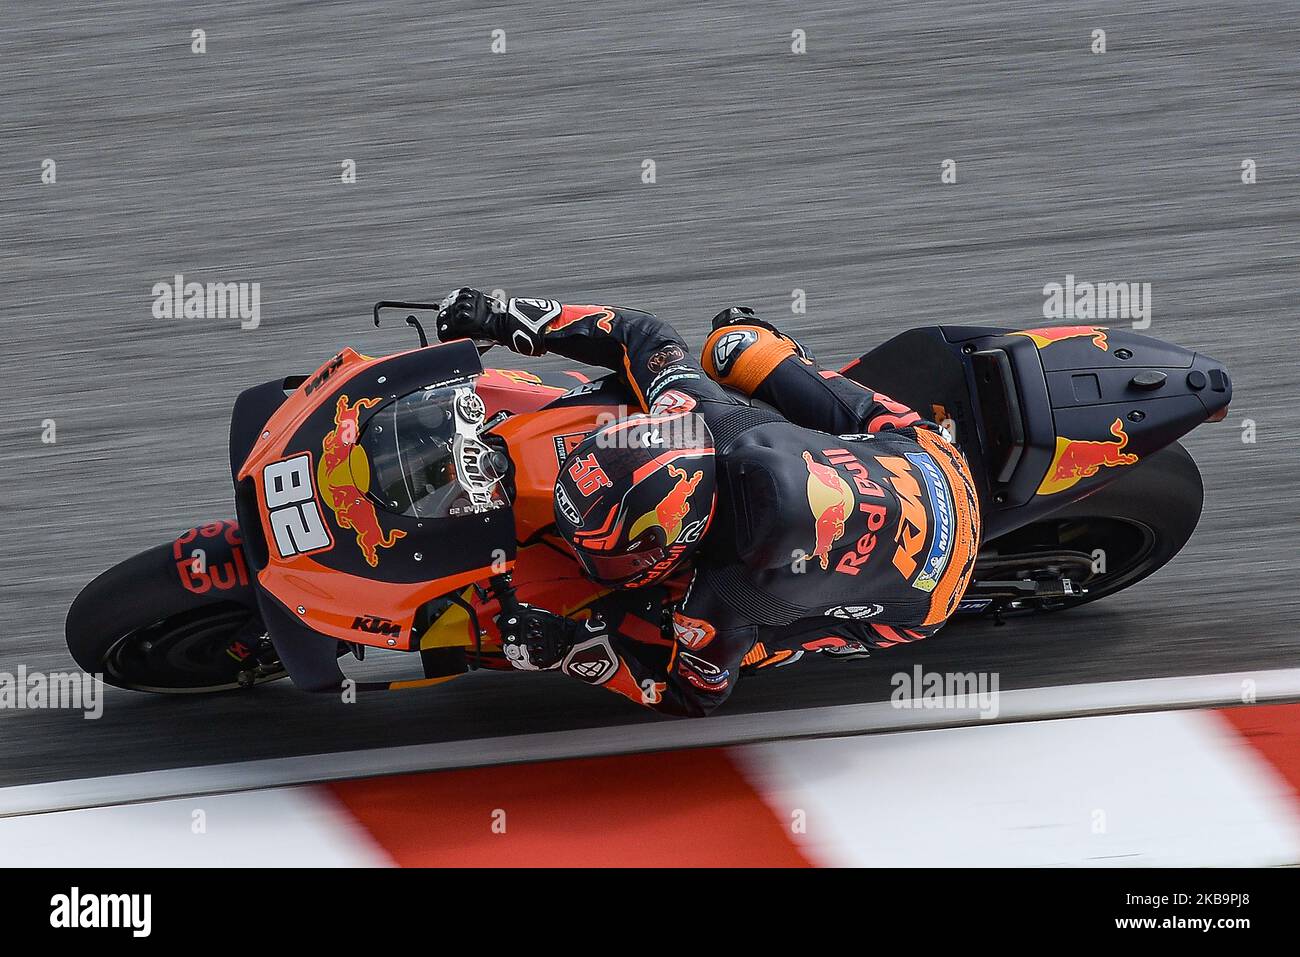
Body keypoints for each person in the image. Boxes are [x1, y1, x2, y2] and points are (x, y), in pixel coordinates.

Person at [436, 288, 981, 717]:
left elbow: (693, 696)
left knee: (691, 638)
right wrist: (505, 319)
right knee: (733, 345)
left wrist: (568, 649)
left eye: (606, 555)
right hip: (931, 457)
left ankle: (830, 633)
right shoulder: (695, 412)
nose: (590, 562)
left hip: (928, 599)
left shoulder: (722, 599)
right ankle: (784, 358)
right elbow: (640, 332)